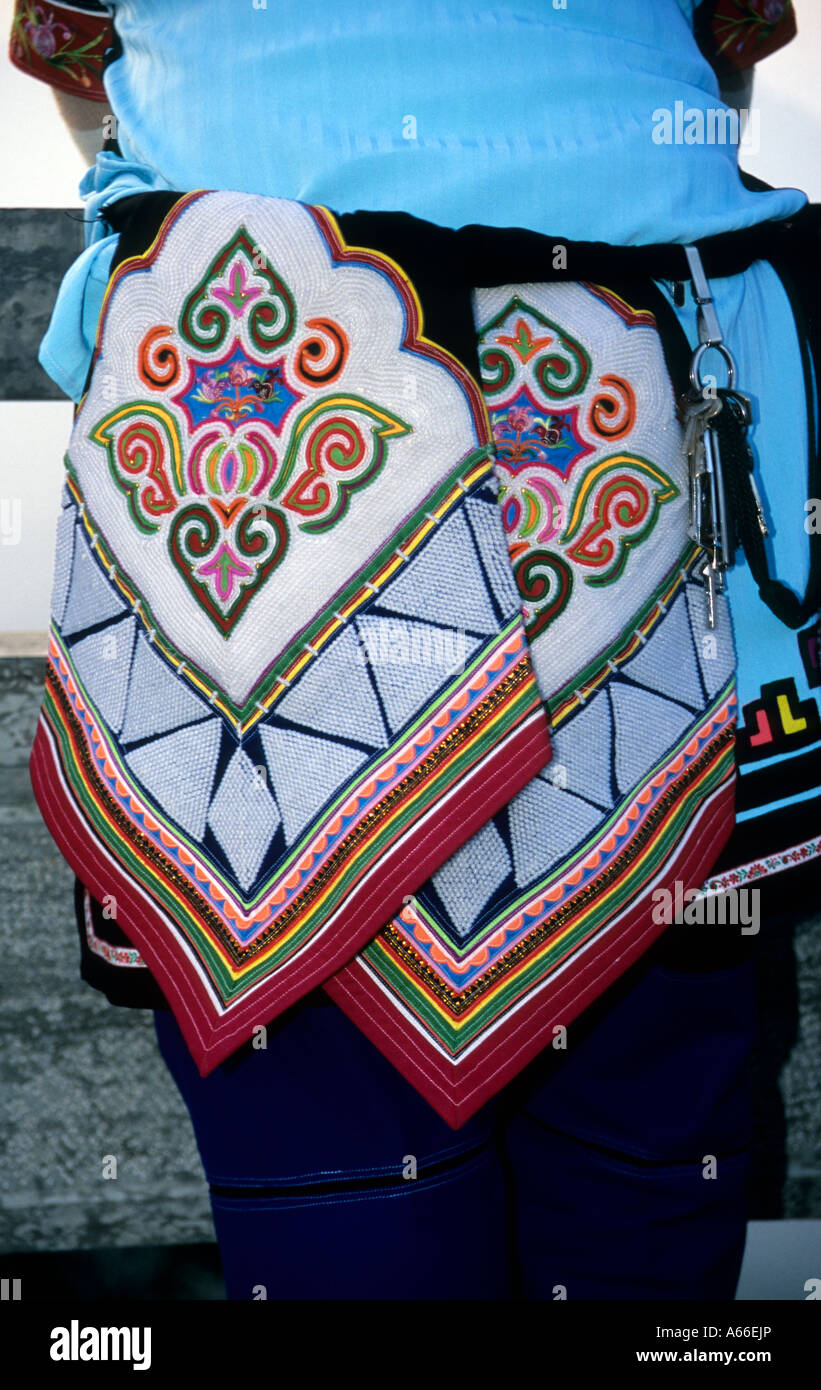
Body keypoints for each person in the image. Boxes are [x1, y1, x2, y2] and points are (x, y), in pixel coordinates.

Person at [13, 0, 818, 1300]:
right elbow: (720, 58)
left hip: (252, 413)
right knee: (639, 1142)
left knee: (325, 1142)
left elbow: (77, 58)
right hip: (627, 416)